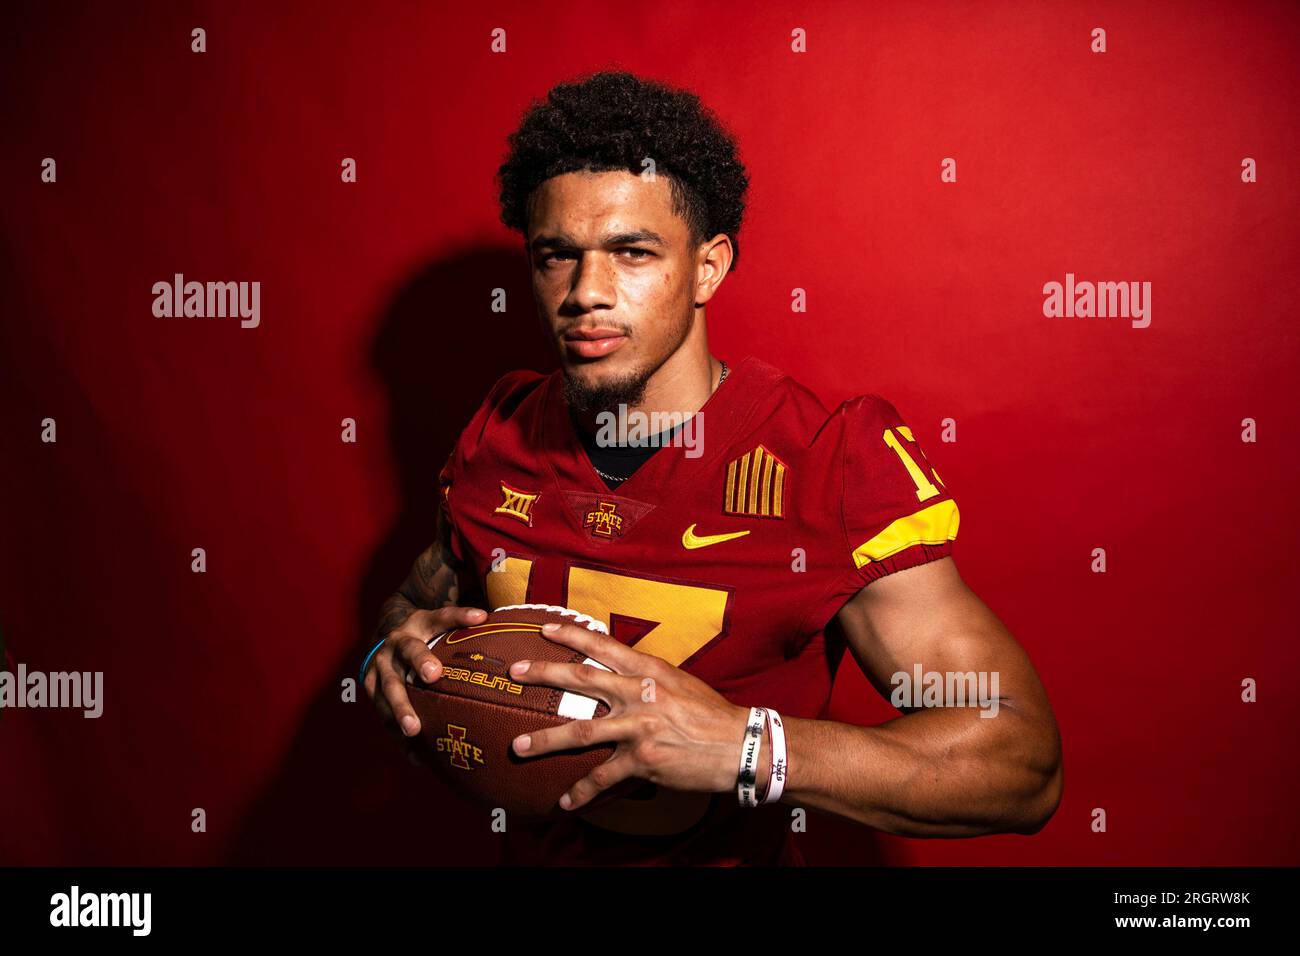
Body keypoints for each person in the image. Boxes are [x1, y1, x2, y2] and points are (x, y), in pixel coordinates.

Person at [362, 70, 1062, 865]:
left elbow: (1021, 760)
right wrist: (391, 653)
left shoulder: (823, 463)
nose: (586, 292)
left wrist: (746, 744)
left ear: (707, 267)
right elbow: (419, 598)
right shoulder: (500, 431)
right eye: (557, 255)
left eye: (632, 252)